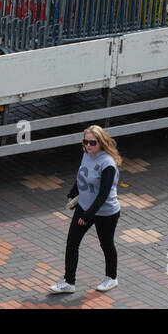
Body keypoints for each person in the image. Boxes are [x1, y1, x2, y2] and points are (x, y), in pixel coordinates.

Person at [49, 125, 122, 294]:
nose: (88, 146)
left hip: (105, 213)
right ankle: (69, 282)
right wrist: (73, 192)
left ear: (101, 142)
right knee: (72, 243)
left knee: (106, 244)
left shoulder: (108, 164)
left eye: (92, 143)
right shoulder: (87, 155)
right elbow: (81, 175)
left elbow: (103, 195)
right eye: (85, 142)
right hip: (84, 207)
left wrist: (88, 215)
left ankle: (111, 278)